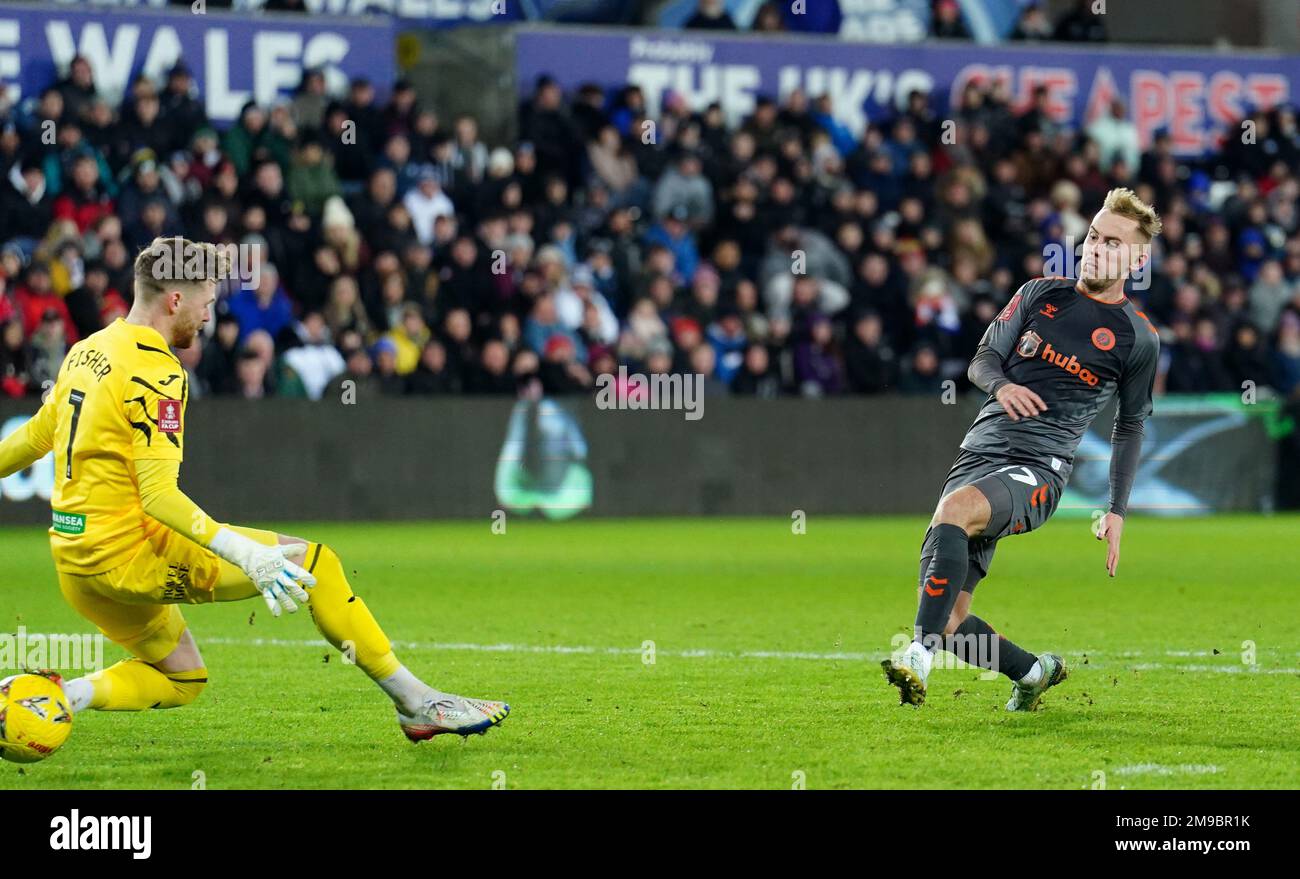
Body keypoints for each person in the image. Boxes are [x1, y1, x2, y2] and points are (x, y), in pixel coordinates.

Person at [0, 237, 509, 740]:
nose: (208, 317)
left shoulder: (87, 350)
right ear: (175, 299)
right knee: (316, 564)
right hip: (129, 556)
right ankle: (418, 703)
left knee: (182, 679)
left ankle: (60, 699)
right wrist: (244, 553)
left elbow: (35, 435)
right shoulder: (154, 370)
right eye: (207, 302)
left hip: (75, 564)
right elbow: (158, 496)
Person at [881, 189, 1162, 711]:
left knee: (955, 511)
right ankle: (1034, 672)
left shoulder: (1137, 339)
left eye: (1112, 244)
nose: (1096, 249)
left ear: (1138, 260)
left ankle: (917, 656)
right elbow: (983, 359)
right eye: (1094, 237)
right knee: (950, 618)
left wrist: (1117, 510)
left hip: (1040, 469)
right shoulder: (1039, 294)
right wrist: (1002, 386)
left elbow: (1130, 425)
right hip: (978, 453)